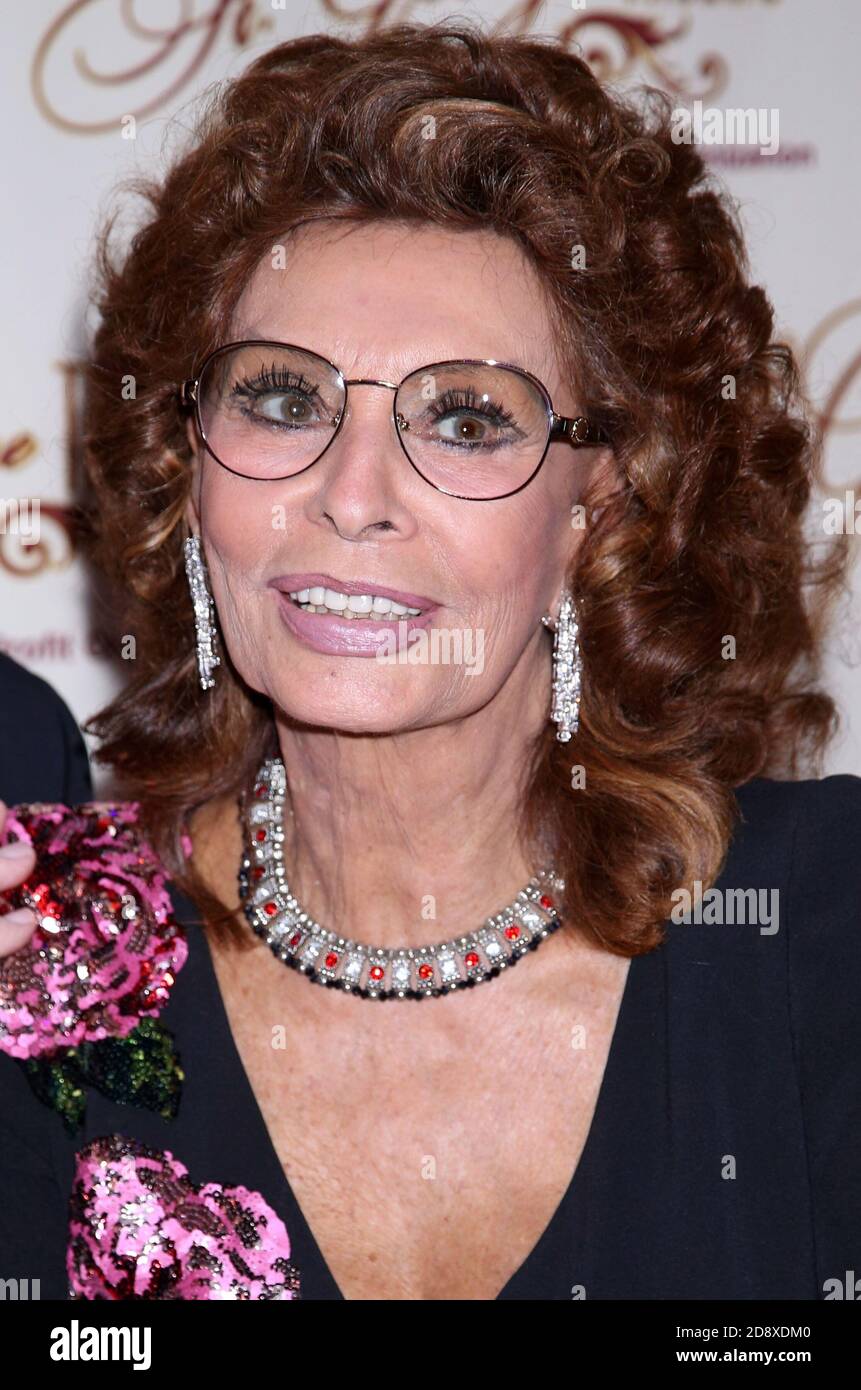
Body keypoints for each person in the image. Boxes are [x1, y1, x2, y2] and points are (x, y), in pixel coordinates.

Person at [0, 22, 859, 1302]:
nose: (352, 496)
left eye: (464, 416)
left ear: (604, 509)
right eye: (283, 399)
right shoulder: (33, 947)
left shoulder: (825, 933)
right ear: (190, 473)